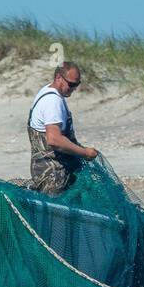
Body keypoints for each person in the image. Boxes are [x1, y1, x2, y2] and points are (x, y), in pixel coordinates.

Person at [28, 61, 99, 194]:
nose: (74, 88)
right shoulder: (53, 102)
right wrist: (85, 153)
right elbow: (54, 140)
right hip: (54, 177)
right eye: (71, 84)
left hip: (44, 172)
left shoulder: (46, 92)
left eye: (77, 84)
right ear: (58, 77)